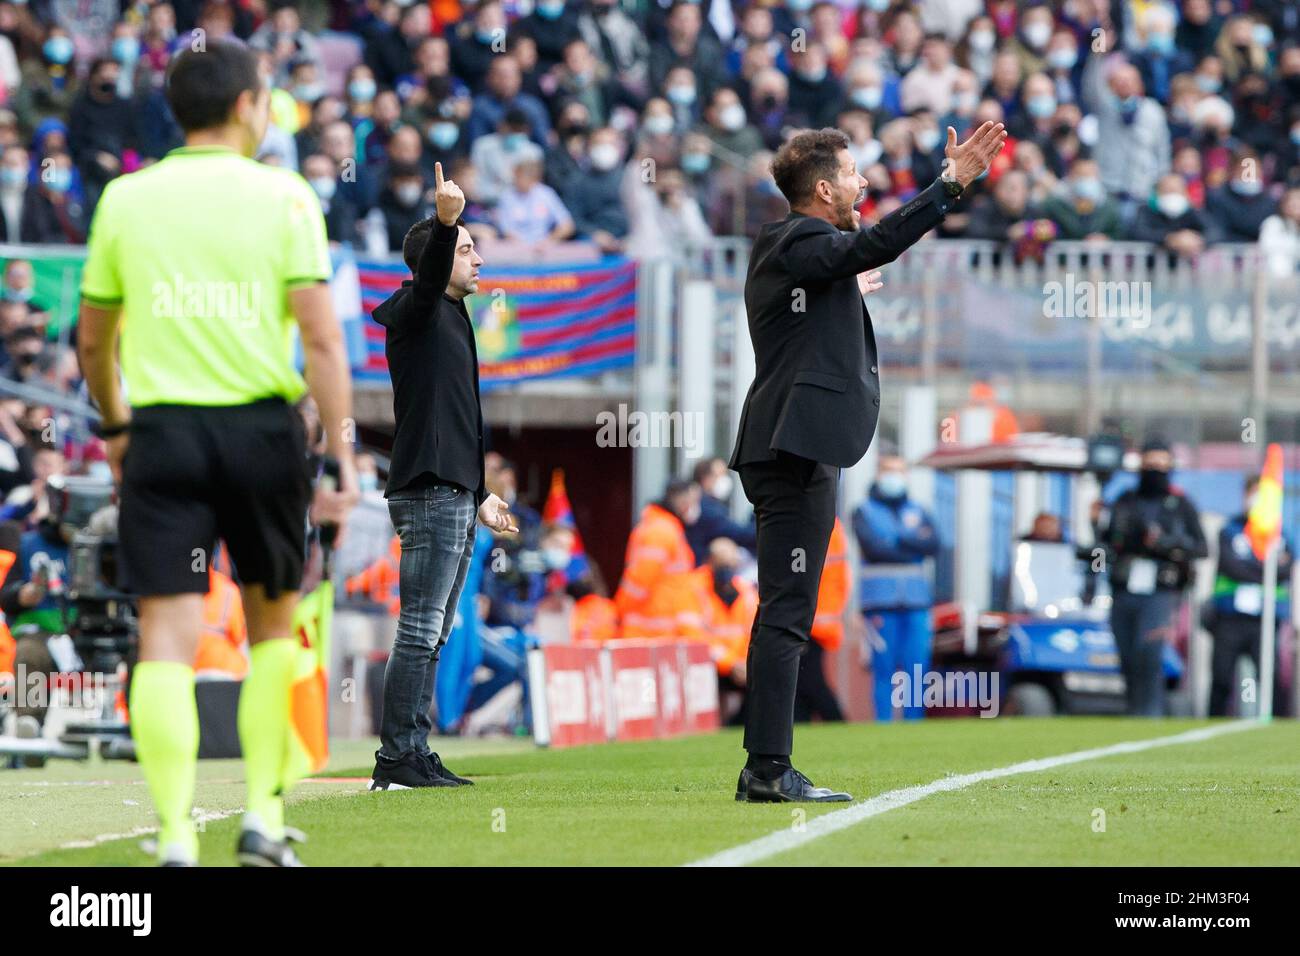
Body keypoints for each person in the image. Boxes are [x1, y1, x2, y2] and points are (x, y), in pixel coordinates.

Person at [76, 40, 359, 867]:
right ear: (247, 105)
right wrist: (342, 452)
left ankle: (172, 837)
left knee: (163, 636)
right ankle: (263, 821)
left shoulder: (126, 198)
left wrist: (119, 427)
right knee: (274, 627)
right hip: (263, 432)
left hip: (162, 433)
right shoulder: (286, 196)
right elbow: (322, 340)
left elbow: (94, 343)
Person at [727, 119, 1005, 802]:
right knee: (788, 609)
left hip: (787, 446)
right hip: (792, 450)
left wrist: (846, 285)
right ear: (824, 190)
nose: (865, 182)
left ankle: (764, 763)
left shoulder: (793, 247)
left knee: (783, 608)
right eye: (854, 174)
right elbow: (870, 243)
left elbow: (845, 263)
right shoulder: (800, 239)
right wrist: (947, 188)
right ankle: (766, 768)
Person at [369, 160, 515, 791]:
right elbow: (425, 285)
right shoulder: (418, 306)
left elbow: (453, 418)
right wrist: (444, 220)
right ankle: (396, 756)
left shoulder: (453, 317)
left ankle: (413, 748)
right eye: (467, 248)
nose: (479, 260)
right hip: (428, 492)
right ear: (438, 257)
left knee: (436, 630)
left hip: (451, 489)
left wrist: (479, 492)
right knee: (421, 627)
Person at [1099, 438, 1207, 717]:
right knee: (1127, 654)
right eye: (1150, 464)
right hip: (1125, 587)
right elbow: (1106, 543)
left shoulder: (1180, 504)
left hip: (1161, 589)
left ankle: (1150, 715)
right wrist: (1096, 522)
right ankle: (1133, 712)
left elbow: (1201, 547)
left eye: (1162, 464)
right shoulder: (1125, 501)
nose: (1155, 470)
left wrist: (1167, 543)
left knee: (1149, 652)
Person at [853, 457, 939, 721]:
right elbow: (874, 549)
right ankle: (884, 723)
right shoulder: (864, 511)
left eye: (900, 472)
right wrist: (911, 541)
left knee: (916, 666)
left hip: (916, 601)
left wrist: (896, 539)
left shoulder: (918, 509)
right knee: (884, 667)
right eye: (889, 471)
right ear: (879, 474)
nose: (894, 477)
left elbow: (933, 545)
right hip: (880, 600)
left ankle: (913, 722)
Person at [1207, 475, 1291, 717]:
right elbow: (1230, 565)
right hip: (1230, 616)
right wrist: (1265, 569)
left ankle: (1277, 725)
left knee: (1270, 675)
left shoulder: (1278, 534)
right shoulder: (1230, 530)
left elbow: (1285, 569)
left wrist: (1254, 568)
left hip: (1264, 618)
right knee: (1222, 675)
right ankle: (1215, 722)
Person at [795, 516, 848, 723]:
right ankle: (801, 722)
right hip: (821, 616)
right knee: (802, 681)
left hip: (810, 618)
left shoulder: (810, 523)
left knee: (811, 681)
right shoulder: (830, 524)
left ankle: (837, 721)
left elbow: (798, 568)